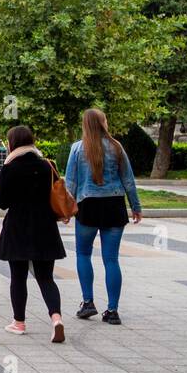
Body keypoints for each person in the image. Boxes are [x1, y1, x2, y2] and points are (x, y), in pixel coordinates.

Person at [66, 109, 142, 325]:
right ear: (102, 123)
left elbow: (70, 183)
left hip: (87, 205)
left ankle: (88, 302)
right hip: (114, 206)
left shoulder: (78, 149)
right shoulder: (117, 147)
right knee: (111, 259)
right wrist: (136, 206)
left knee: (83, 253)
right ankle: (112, 310)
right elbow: (128, 180)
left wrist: (66, 210)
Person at [0, 125, 66, 342]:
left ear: (12, 143)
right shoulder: (47, 166)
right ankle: (56, 318)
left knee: (18, 277)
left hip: (18, 227)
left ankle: (19, 322)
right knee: (46, 277)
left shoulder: (10, 167)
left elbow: (2, 202)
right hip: (44, 227)